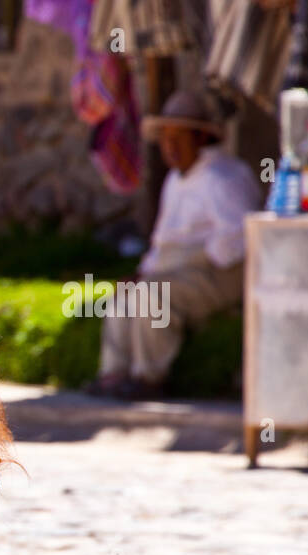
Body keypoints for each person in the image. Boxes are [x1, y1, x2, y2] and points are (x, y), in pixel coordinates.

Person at [88, 89, 262, 400]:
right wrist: (146, 271)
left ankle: (149, 377)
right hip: (180, 269)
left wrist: (189, 261)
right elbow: (163, 242)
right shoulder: (175, 180)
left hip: (219, 273)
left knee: (152, 297)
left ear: (199, 137)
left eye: (178, 137)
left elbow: (238, 238)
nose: (170, 147)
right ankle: (113, 375)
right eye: (166, 138)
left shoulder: (224, 177)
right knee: (125, 295)